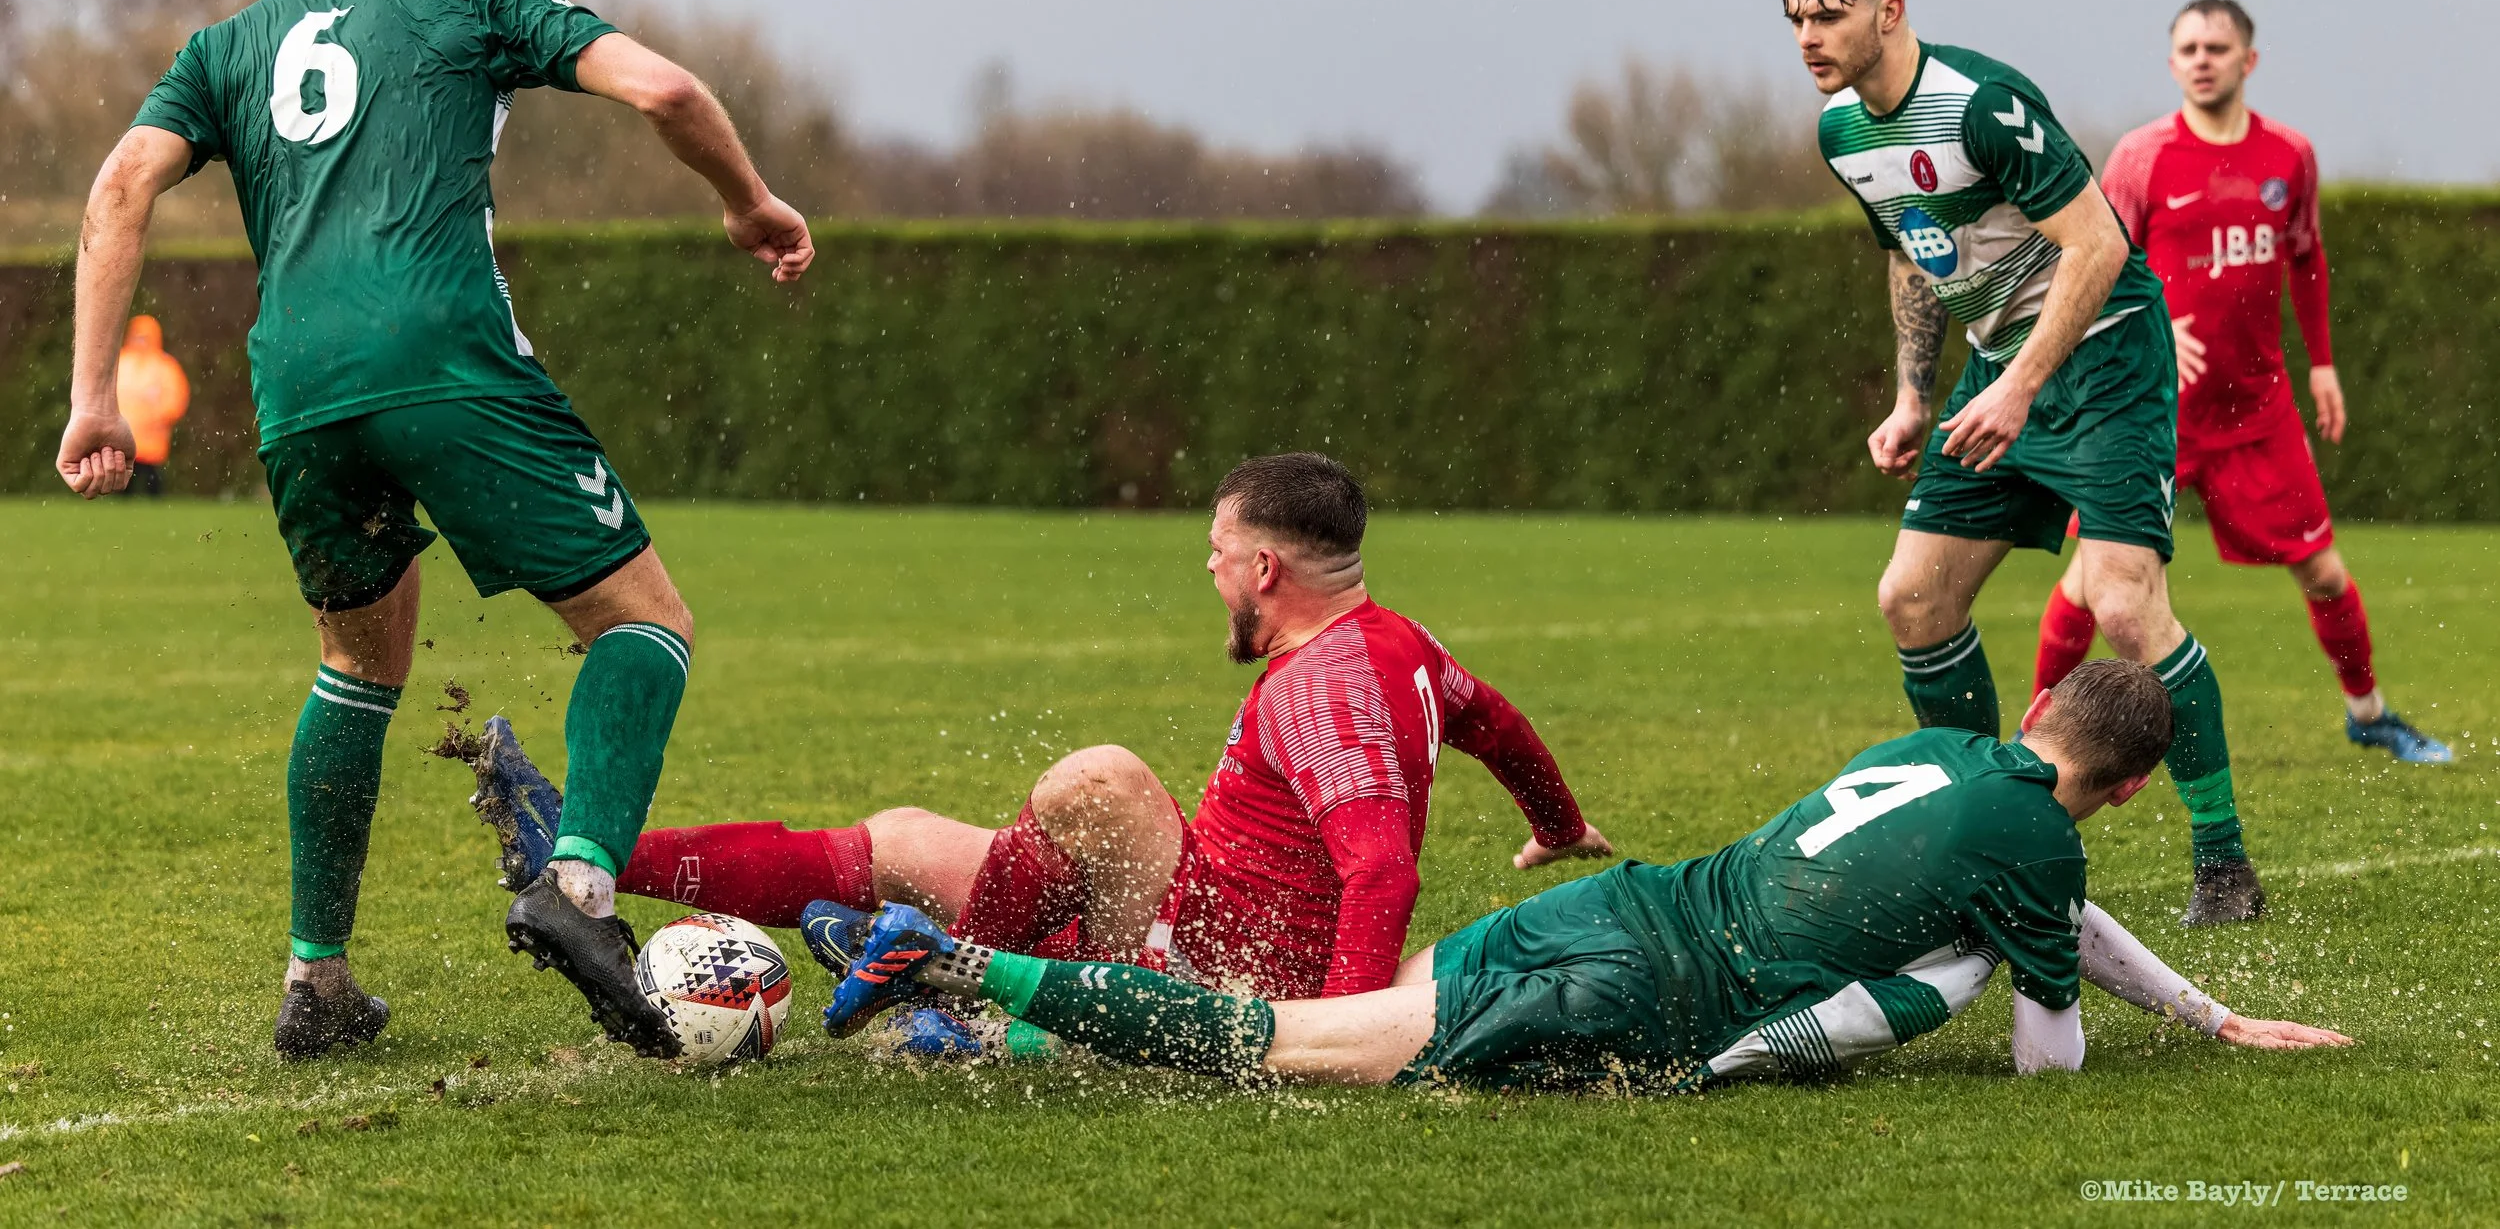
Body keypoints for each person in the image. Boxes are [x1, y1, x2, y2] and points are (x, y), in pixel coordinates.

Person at [56, 0, 815, 1062]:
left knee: (357, 659)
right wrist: (749, 203)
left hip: (297, 387)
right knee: (645, 622)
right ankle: (578, 890)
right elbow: (665, 86)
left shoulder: (232, 41)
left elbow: (119, 186)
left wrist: (93, 395)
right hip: (444, 360)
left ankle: (318, 980)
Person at [811, 659, 2352, 1089]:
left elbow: (2051, 909)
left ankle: (971, 997)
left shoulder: (1956, 755)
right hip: (1643, 990)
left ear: (2033, 709)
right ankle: (953, 970)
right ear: (2133, 785)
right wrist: (2000, 999)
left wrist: (2210, 1022)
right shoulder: (2042, 836)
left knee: (1325, 1033)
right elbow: (2043, 1036)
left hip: (1612, 907)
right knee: (1274, 1053)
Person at [470, 451, 1610, 1023]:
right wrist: (1556, 828)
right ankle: (587, 856)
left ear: (1266, 567)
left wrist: (1337, 1036)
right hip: (1195, 906)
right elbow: (1494, 724)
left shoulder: (1317, 689)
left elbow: (1383, 866)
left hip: (1224, 970)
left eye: (1218, 548)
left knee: (1101, 780)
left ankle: (957, 996)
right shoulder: (1398, 647)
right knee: (910, 835)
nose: (1207, 565)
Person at [1787, 0, 2263, 928]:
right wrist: (1918, 391)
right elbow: (1913, 250)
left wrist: (2016, 385)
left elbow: (2096, 247)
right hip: (1998, 369)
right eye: (1793, 20)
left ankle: (2224, 862)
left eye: (1826, 15)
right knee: (1912, 599)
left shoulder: (1980, 105)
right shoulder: (1840, 133)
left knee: (2127, 607)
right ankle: (1984, 827)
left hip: (2104, 361)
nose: (1807, 37)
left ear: (1890, 8)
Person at [2032, 1, 2449, 765]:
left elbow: (2308, 258)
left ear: (2247, 61)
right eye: (2188, 47)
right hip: (2146, 412)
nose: (2202, 58)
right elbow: (2095, 264)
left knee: (2323, 571)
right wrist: (2152, 329)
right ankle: (2034, 739)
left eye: (2217, 47)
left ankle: (2369, 712)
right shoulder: (2140, 155)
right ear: (2172, 63)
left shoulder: (2289, 155)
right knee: (2091, 583)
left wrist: (2323, 364)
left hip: (2258, 409)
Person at [115, 314, 191, 497]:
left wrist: (159, 417)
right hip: (123, 437)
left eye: (145, 337)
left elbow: (177, 397)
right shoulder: (120, 361)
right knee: (122, 485)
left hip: (152, 441)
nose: (141, 341)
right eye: (138, 336)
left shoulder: (165, 366)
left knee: (152, 482)